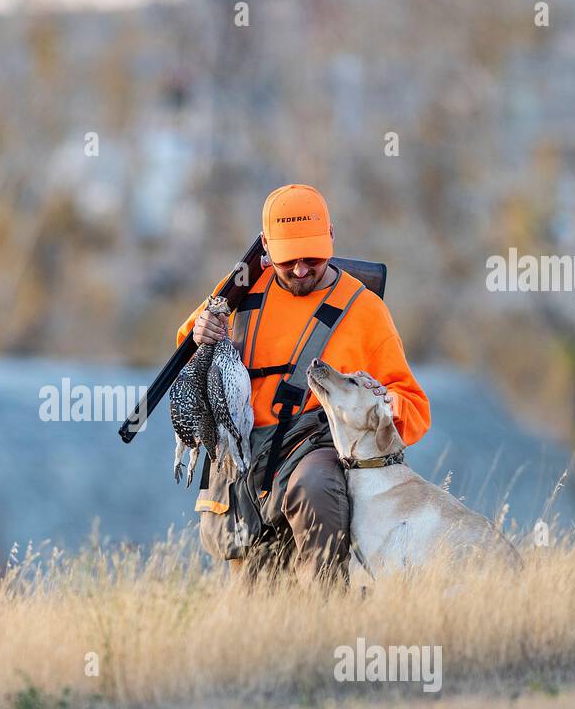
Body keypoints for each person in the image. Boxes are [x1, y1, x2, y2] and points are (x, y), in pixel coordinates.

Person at [176, 184, 431, 580]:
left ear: (332, 237)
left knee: (313, 484)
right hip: (246, 455)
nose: (300, 270)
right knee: (254, 614)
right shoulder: (239, 290)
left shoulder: (365, 309)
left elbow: (413, 408)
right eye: (287, 260)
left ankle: (327, 610)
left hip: (315, 444)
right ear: (265, 246)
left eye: (312, 257)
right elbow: (189, 364)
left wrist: (382, 403)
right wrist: (199, 334)